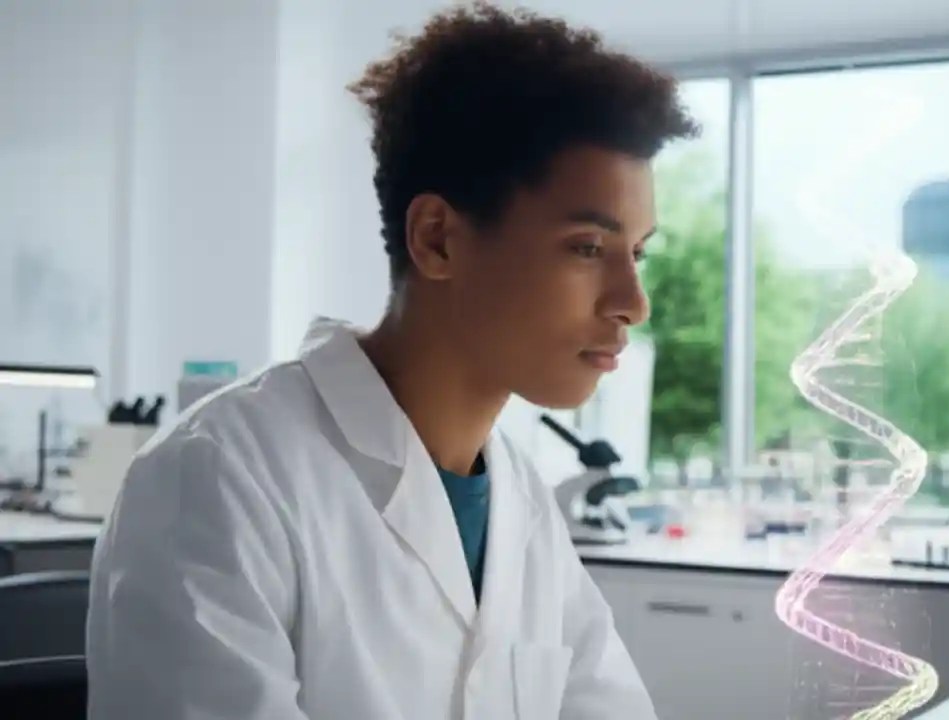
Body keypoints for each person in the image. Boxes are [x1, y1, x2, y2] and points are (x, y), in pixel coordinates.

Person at [86, 6, 697, 719]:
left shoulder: (521, 504)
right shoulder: (219, 476)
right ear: (438, 238)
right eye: (588, 248)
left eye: (639, 252)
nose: (634, 300)